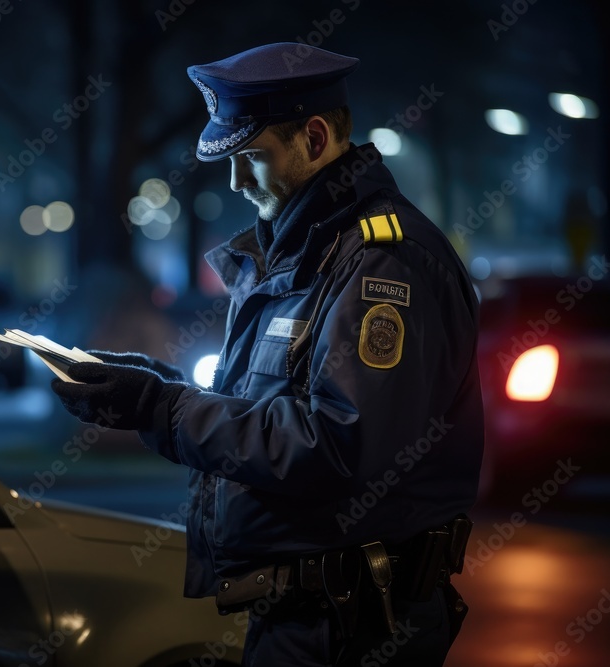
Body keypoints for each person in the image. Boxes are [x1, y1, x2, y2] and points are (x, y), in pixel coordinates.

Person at [51, 42, 483, 667]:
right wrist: (152, 389)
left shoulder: (380, 262)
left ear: (313, 138)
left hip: (354, 627)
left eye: (252, 156)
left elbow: (337, 443)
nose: (235, 180)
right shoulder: (309, 253)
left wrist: (164, 409)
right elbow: (270, 412)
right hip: (314, 615)